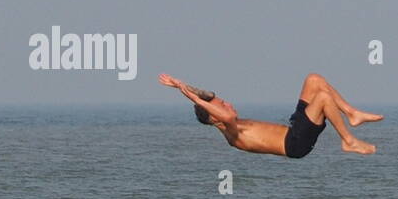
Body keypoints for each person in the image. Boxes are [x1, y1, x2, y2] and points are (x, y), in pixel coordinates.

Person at [159, 72, 381, 156]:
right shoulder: (231, 133)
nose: (228, 105)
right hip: (296, 144)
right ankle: (348, 140)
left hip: (294, 127)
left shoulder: (231, 122)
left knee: (314, 80)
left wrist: (182, 86)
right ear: (213, 116)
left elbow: (207, 97)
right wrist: (193, 98)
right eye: (222, 105)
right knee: (322, 97)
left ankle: (352, 113)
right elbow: (217, 112)